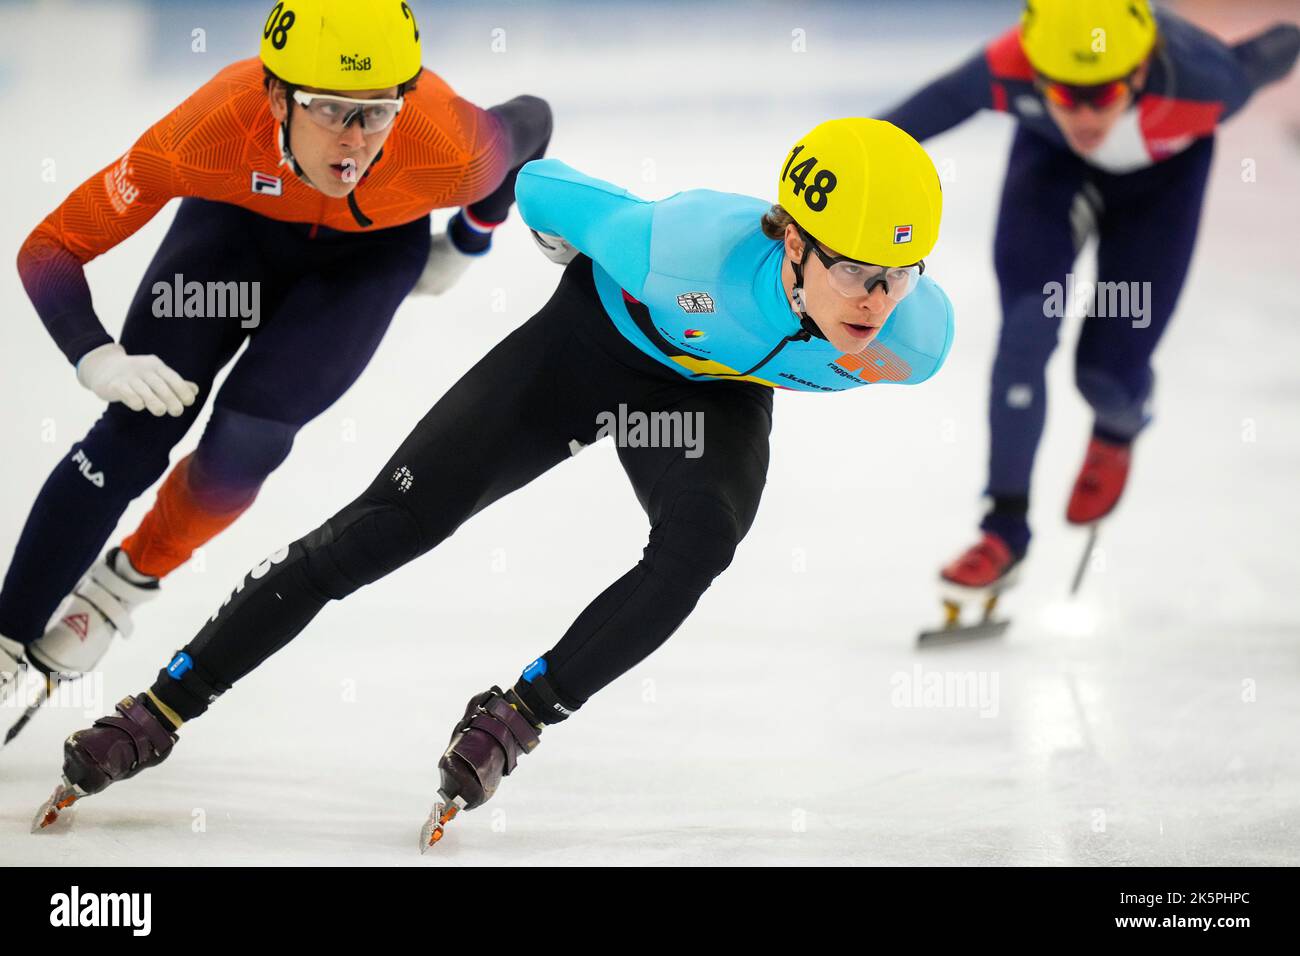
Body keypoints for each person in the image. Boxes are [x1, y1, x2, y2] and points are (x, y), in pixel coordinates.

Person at [36, 118, 953, 842]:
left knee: (700, 543)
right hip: (590, 351)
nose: (874, 303)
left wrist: (870, 305)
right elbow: (544, 188)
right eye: (855, 273)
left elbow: (880, 321)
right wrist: (549, 247)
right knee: (385, 529)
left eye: (899, 278)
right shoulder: (681, 247)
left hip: (716, 400)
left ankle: (520, 714)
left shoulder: (912, 343)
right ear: (791, 241)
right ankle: (160, 707)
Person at [0, 0, 552, 705]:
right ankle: (6, 638)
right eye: (328, 110)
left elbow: (533, 119)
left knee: (248, 440)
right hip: (234, 234)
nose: (354, 142)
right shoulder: (208, 129)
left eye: (377, 112)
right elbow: (50, 248)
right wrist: (94, 353)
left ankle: (121, 586)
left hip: (366, 264)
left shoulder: (451, 143)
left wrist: (471, 239)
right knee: (133, 434)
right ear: (275, 96)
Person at [876, 0, 1298, 596]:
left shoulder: (1208, 80)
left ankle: (1119, 426)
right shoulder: (1012, 63)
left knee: (1105, 376)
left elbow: (1281, 42)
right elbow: (908, 121)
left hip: (1161, 191)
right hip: (1052, 172)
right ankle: (1004, 529)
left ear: (1141, 72)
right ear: (1036, 72)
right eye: (1062, 92)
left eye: (1099, 94)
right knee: (1025, 333)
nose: (1081, 112)